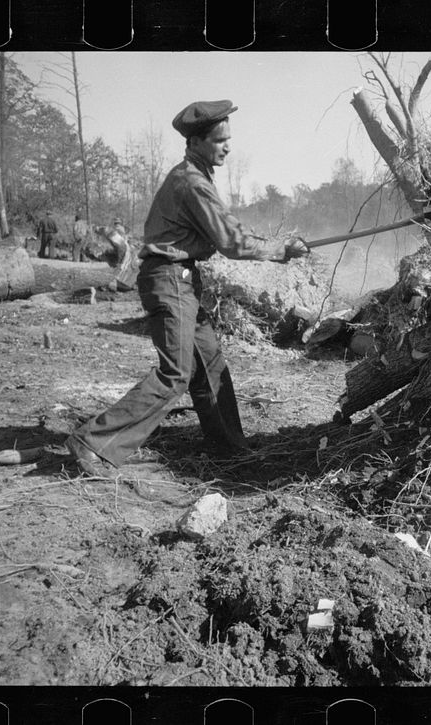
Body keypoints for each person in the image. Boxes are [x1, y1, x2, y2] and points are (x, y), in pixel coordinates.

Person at [65, 99, 310, 477]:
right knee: (175, 374)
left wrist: (278, 246)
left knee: (209, 363)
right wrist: (280, 249)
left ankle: (229, 449)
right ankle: (92, 443)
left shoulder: (195, 176)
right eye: (218, 140)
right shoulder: (192, 183)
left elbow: (229, 232)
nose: (227, 146)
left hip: (182, 279)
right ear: (195, 142)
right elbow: (231, 242)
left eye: (228, 139)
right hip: (169, 279)